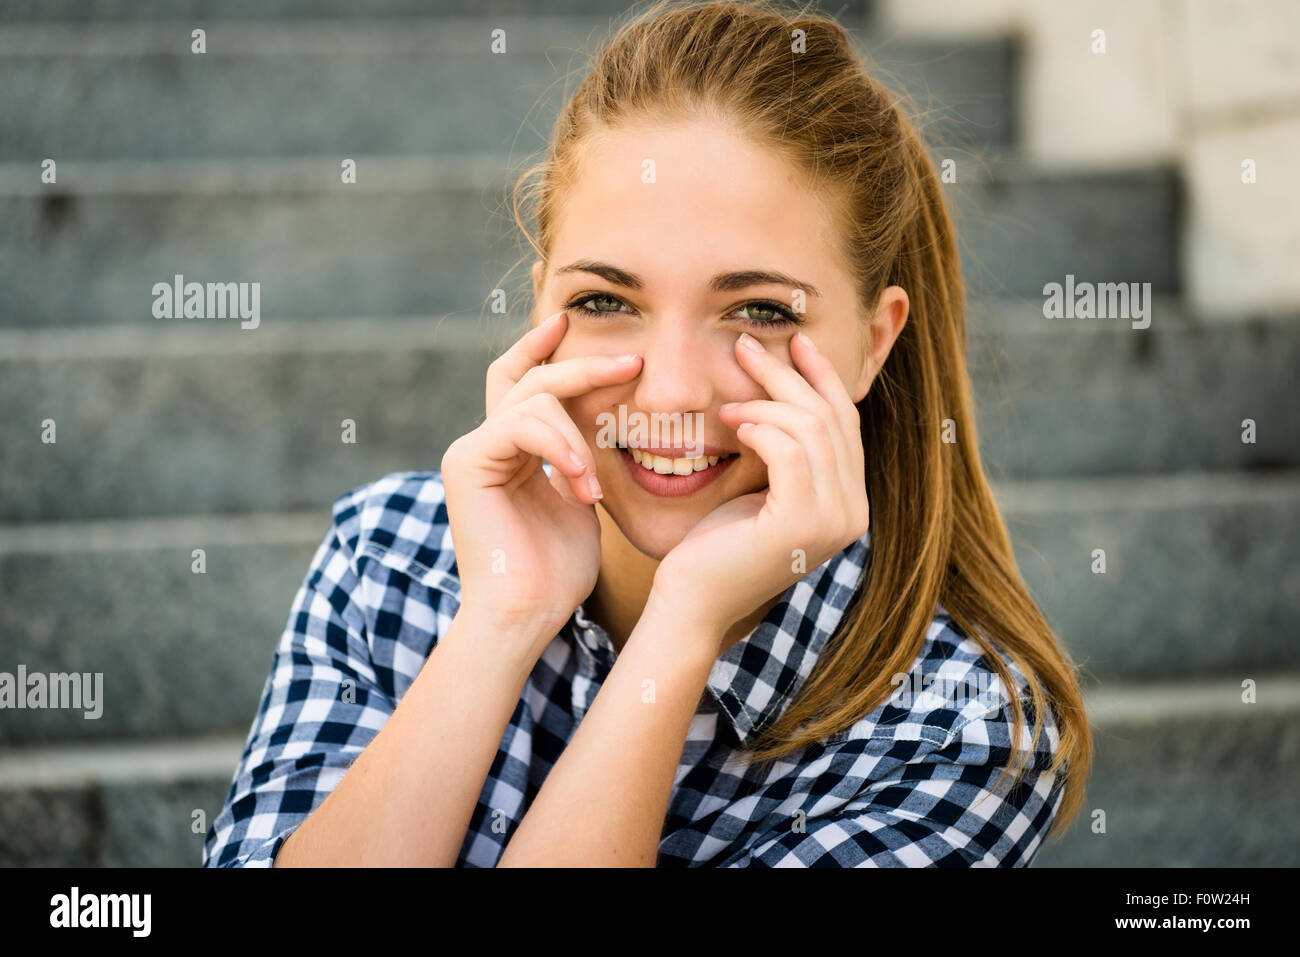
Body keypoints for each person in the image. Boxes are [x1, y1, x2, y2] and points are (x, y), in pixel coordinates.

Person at [204, 0, 1092, 868]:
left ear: (872, 343)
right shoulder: (389, 555)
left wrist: (682, 623)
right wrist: (502, 619)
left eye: (758, 310)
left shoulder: (964, 726)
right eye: (605, 301)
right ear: (541, 302)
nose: (668, 388)